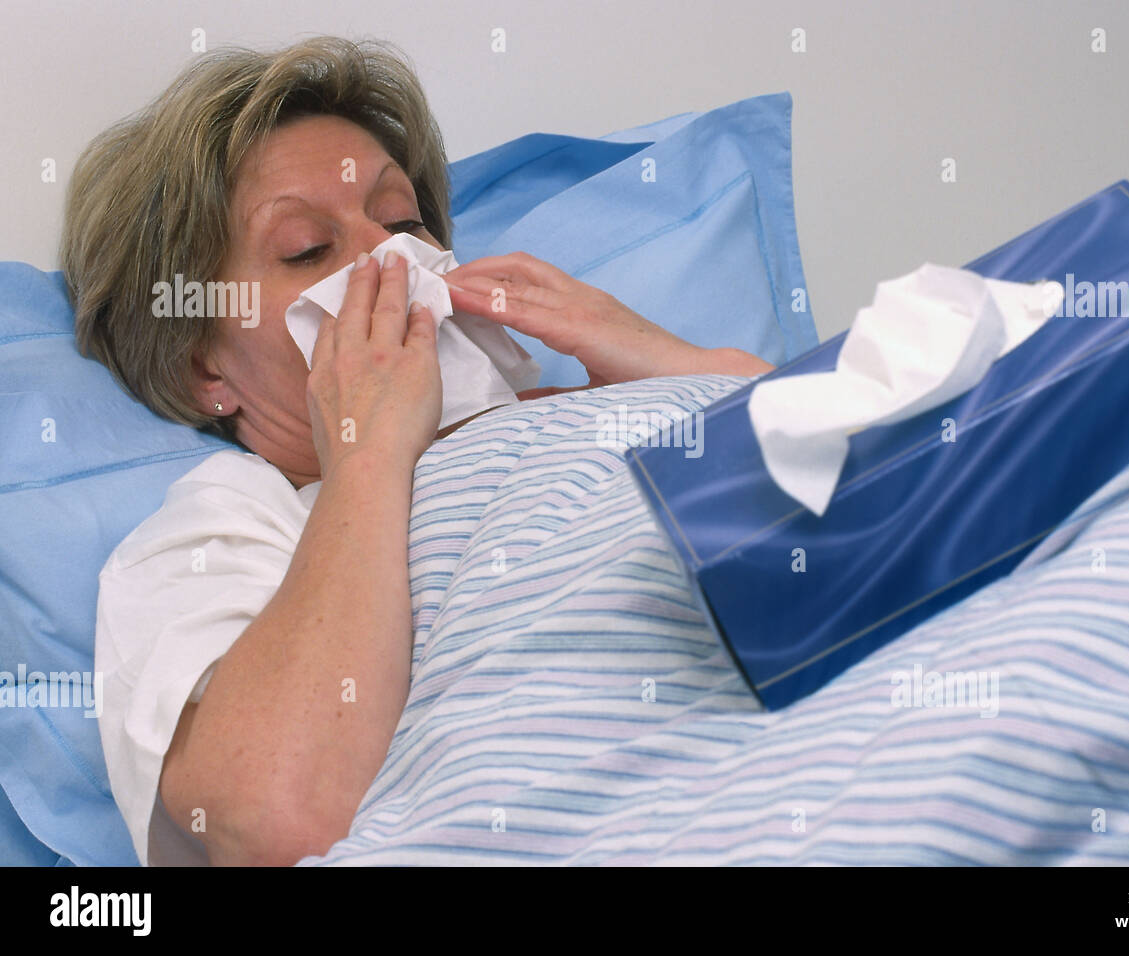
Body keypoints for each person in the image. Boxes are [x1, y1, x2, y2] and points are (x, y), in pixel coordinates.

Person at [62, 36, 772, 866]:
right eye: (307, 251)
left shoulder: (591, 407)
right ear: (201, 368)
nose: (389, 261)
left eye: (403, 222)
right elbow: (273, 819)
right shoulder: (221, 534)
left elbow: (882, 495)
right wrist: (367, 456)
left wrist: (683, 372)